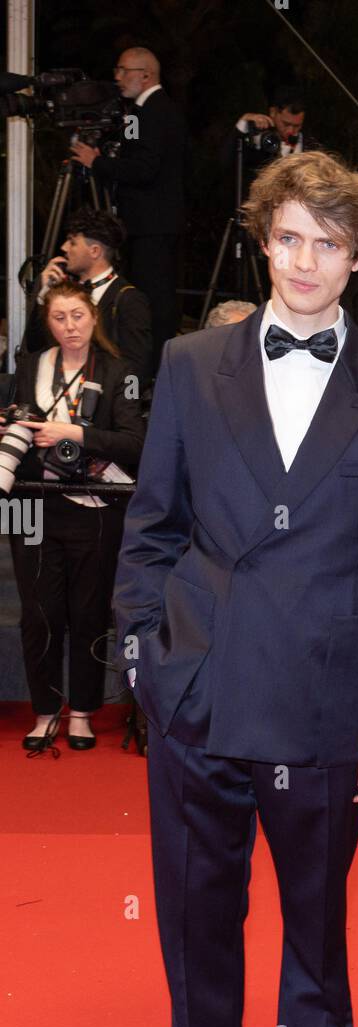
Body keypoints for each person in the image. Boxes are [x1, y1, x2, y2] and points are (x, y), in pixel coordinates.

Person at [111, 150, 358, 1027]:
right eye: (288, 236)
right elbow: (150, 527)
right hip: (199, 696)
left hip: (325, 705)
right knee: (196, 923)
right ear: (263, 239)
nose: (305, 260)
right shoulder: (192, 363)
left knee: (315, 926)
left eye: (329, 243)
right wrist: (144, 655)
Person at [5, 282, 145, 751]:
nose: (70, 327)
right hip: (27, 502)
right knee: (36, 614)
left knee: (88, 611)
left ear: (94, 317)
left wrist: (75, 434)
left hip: (94, 502)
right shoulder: (29, 369)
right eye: (60, 318)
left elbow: (135, 443)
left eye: (78, 316)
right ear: (48, 322)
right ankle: (45, 711)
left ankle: (83, 711)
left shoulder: (118, 371)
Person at [72, 47, 186, 367]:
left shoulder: (156, 111)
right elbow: (132, 157)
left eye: (124, 71)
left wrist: (98, 163)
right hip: (145, 223)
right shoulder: (138, 112)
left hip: (154, 223)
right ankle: (145, 369)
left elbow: (144, 168)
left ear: (145, 75)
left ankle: (153, 371)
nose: (117, 78)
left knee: (155, 300)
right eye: (117, 70)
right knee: (147, 296)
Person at [26, 210, 153, 387]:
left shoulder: (128, 299)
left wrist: (126, 407)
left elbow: (137, 369)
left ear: (94, 251)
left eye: (72, 242)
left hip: (104, 407)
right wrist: (43, 295)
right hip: (57, 399)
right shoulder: (65, 293)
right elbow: (34, 348)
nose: (64, 248)